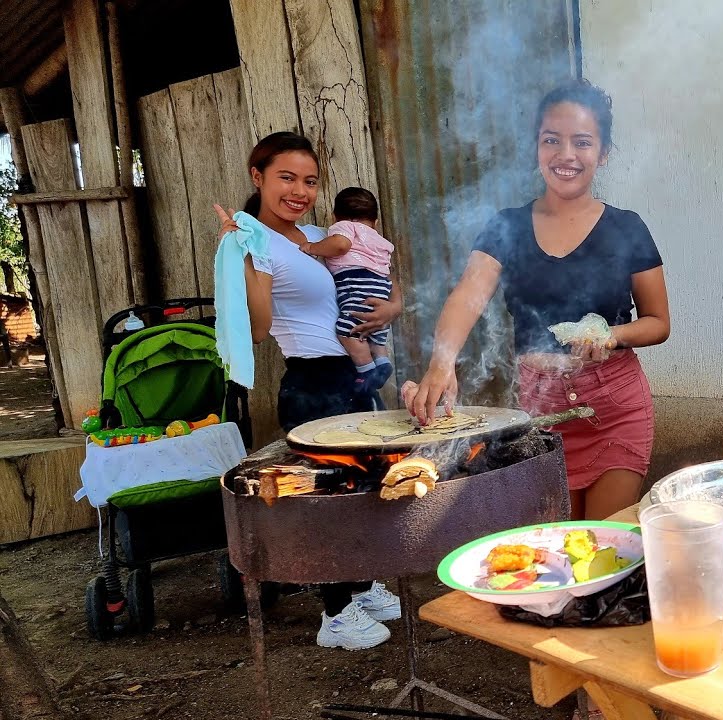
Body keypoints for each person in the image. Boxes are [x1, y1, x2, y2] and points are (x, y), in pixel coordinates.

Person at [405, 79, 670, 522]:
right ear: (536, 147)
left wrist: (612, 334)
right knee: (556, 553)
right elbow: (469, 293)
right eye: (552, 140)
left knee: (606, 548)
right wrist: (442, 361)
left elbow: (659, 322)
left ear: (602, 153)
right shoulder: (505, 226)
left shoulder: (628, 227)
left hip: (614, 406)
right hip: (540, 406)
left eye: (582, 142)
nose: (566, 154)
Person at [214, 132, 404, 650]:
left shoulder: (321, 234)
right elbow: (256, 329)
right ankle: (336, 614)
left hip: (354, 373)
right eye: (286, 178)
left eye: (310, 180)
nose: (299, 191)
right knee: (330, 498)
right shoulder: (250, 241)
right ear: (258, 177)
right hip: (314, 382)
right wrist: (248, 262)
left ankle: (360, 586)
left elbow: (380, 273)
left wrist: (392, 309)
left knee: (368, 488)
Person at [296, 186, 397, 398]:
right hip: (380, 288)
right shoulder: (378, 238)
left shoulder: (344, 227)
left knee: (347, 329)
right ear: (375, 221)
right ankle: (382, 359)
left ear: (335, 217)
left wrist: (312, 248)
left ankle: (366, 370)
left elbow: (341, 245)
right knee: (372, 331)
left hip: (355, 281)